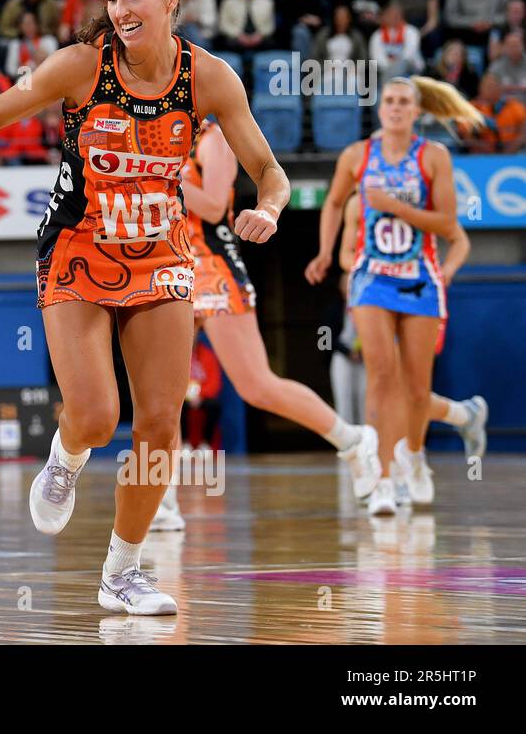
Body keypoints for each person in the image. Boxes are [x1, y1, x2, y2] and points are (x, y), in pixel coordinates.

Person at [0, 0, 290, 616]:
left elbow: (269, 171)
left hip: (161, 255)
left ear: (171, 1)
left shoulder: (210, 78)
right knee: (99, 416)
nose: (120, 9)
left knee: (161, 423)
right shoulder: (79, 68)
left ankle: (123, 570)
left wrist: (269, 208)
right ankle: (65, 458)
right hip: (78, 248)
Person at [149, 118, 382, 532]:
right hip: (168, 265)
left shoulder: (213, 137)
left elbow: (215, 205)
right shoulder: (151, 133)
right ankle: (162, 498)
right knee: (161, 390)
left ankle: (353, 440)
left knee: (257, 386)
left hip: (213, 268)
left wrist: (159, 175)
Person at [306, 77, 485, 514]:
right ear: (380, 108)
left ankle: (416, 457)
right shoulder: (357, 155)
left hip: (420, 278)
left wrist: (396, 206)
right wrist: (326, 252)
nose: (396, 108)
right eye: (389, 101)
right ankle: (383, 480)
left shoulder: (434, 157)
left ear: (418, 111)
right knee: (381, 378)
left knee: (417, 390)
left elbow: (447, 225)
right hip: (371, 278)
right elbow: (331, 203)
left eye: (404, 102)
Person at [338, 191, 487, 459]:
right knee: (387, 388)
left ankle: (405, 457)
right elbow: (346, 256)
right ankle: (459, 417)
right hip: (379, 298)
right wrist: (373, 267)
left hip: (418, 299)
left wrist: (447, 271)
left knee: (408, 392)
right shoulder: (357, 202)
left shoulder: (420, 197)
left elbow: (460, 240)